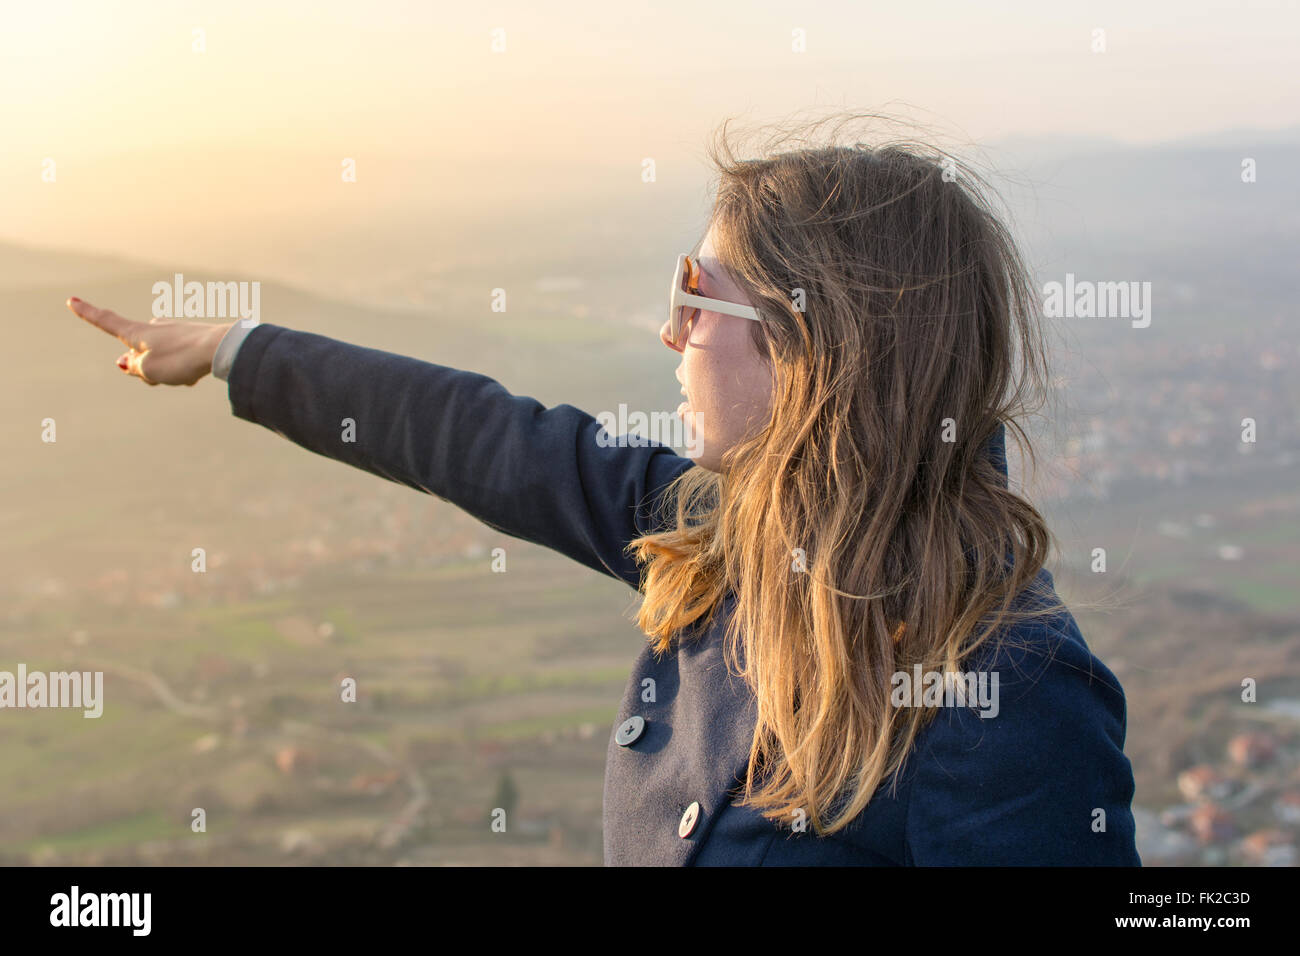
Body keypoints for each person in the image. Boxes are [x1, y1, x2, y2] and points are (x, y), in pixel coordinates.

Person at [66, 121, 1140, 866]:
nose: (669, 334)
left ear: (815, 344)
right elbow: (484, 439)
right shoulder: (733, 535)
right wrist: (239, 349)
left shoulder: (1005, 687)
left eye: (694, 297)